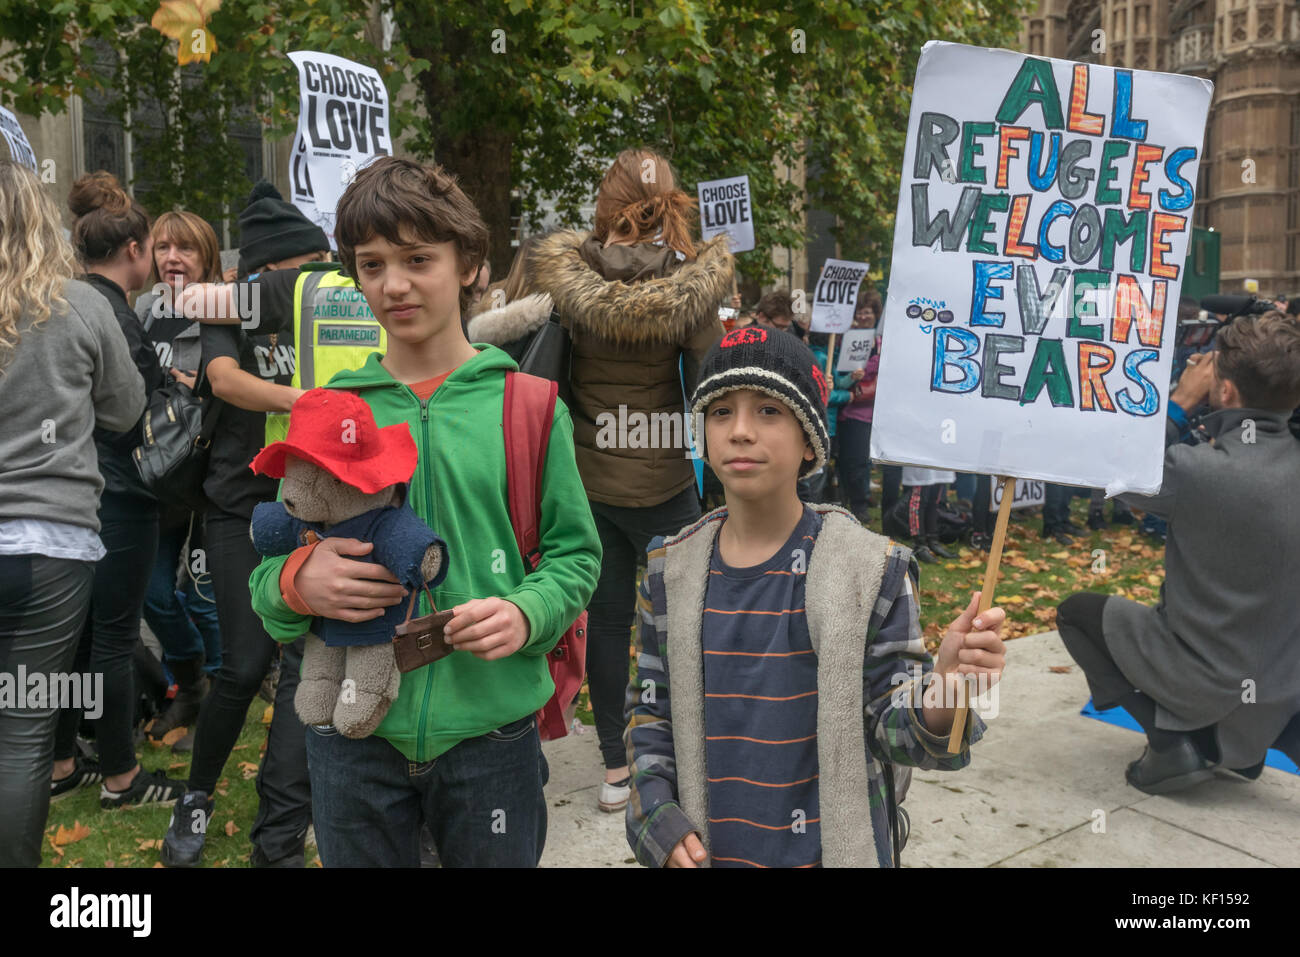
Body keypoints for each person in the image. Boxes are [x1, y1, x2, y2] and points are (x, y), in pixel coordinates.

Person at [246, 157, 601, 867]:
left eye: (416, 259)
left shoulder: (527, 406)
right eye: (371, 265)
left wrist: (527, 611)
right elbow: (267, 571)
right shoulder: (328, 410)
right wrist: (296, 583)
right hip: (354, 743)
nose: (394, 284)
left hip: (492, 736)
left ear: (470, 263)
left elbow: (577, 557)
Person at [624, 327, 1007, 867]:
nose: (740, 431)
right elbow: (650, 715)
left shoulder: (872, 571)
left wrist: (946, 687)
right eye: (720, 411)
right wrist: (654, 816)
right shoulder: (669, 572)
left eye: (768, 411)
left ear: (809, 439)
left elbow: (898, 734)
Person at [473, 149, 730, 811]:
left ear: (605, 204)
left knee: (609, 622)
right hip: (668, 480)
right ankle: (684, 756)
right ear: (667, 202)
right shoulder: (692, 283)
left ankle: (617, 768)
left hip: (588, 484)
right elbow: (711, 386)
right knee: (683, 621)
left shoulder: (567, 280)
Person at [158, 180, 330, 867]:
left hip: (314, 502)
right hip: (241, 504)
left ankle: (282, 817)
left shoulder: (328, 307)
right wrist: (304, 399)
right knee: (247, 661)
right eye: (299, 268)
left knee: (306, 662)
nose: (311, 278)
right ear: (268, 269)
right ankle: (196, 795)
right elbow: (225, 379)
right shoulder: (230, 304)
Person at [1057, 313, 1300, 793]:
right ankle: (1235, 743)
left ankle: (1177, 741)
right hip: (1282, 686)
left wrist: (1182, 399)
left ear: (1225, 391)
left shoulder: (1196, 471)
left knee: (1076, 612)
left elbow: (1114, 468)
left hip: (1204, 678)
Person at [0, 159, 147, 865]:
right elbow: (126, 408)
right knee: (23, 730)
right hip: (52, 542)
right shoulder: (81, 306)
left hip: (44, 538)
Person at [45, 172, 191, 809]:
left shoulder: (60, 299)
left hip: (75, 489)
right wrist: (176, 391)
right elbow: (133, 413)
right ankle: (122, 779)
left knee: (74, 638)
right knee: (112, 636)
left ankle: (58, 763)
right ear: (134, 250)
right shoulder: (113, 313)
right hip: (121, 492)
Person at [135, 210, 225, 750]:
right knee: (154, 594)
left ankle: (214, 697)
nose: (172, 258)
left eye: (184, 249)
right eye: (163, 247)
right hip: (156, 473)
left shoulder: (221, 309)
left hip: (207, 472)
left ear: (206, 257)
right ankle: (191, 682)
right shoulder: (146, 310)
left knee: (203, 594)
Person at [836, 288, 881, 521]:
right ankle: (853, 504)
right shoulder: (847, 339)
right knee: (850, 461)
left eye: (867, 312)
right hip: (850, 409)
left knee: (863, 461)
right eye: (860, 312)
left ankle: (860, 503)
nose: (863, 317)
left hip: (874, 411)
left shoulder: (881, 343)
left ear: (875, 314)